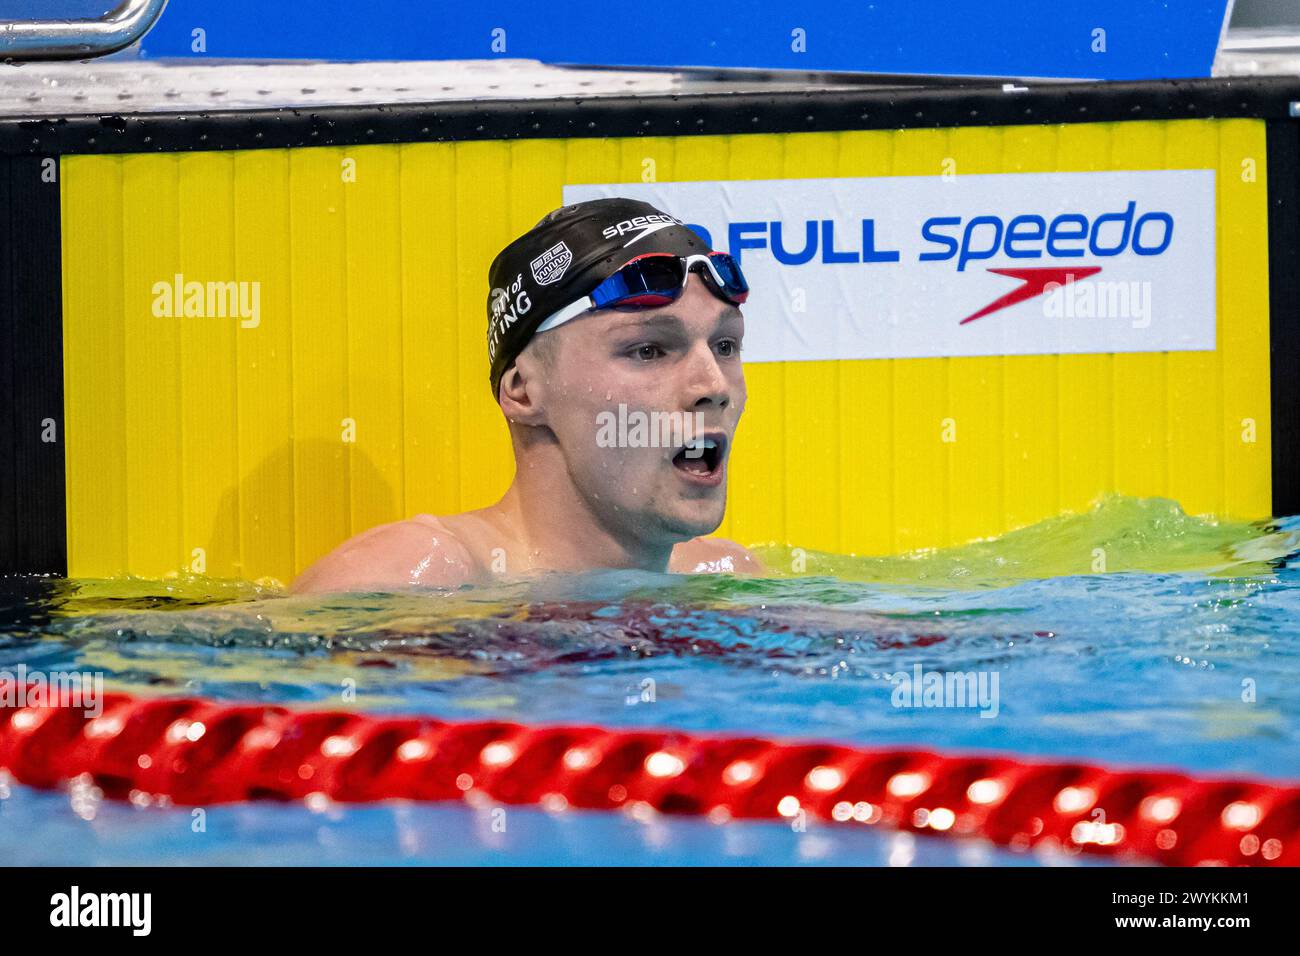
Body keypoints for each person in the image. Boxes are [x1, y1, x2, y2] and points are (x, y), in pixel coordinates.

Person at [292, 197, 761, 593]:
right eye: (648, 350)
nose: (714, 387)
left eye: (724, 346)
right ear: (522, 391)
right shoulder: (420, 579)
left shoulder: (725, 579)